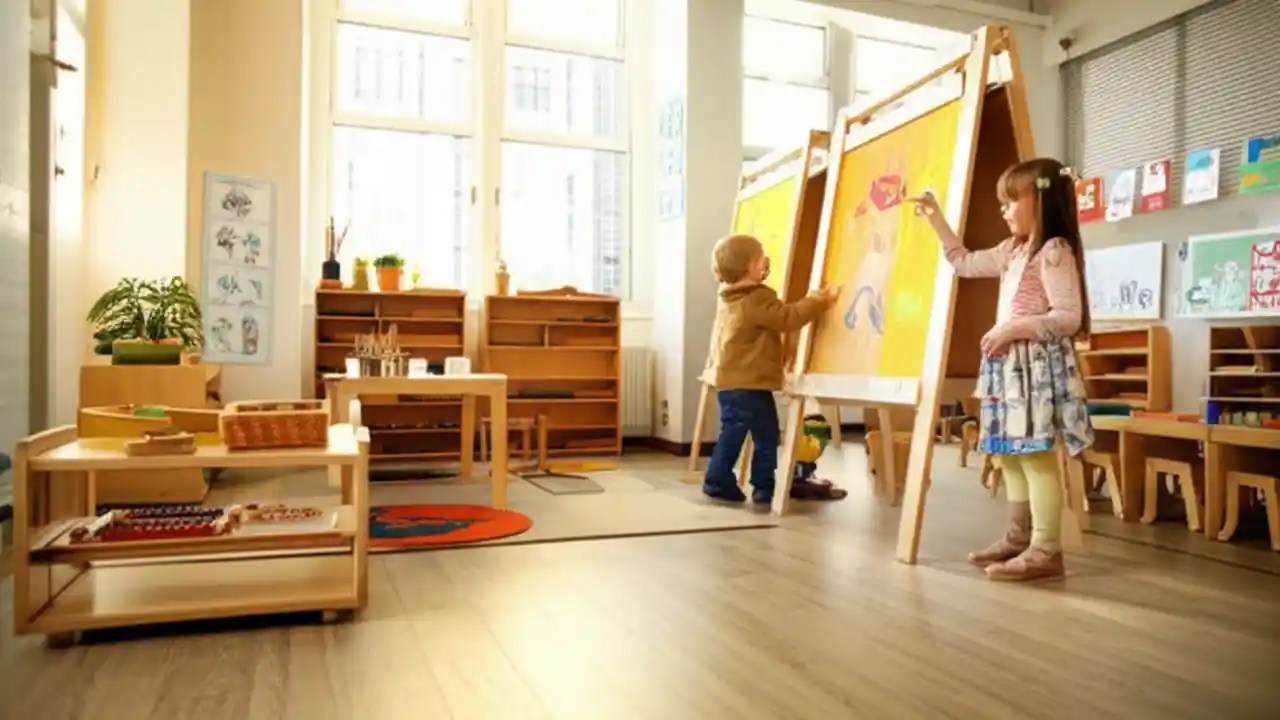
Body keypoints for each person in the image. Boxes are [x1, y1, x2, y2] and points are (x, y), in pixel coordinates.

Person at [909, 157, 1094, 582]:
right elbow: (962, 261)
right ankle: (1019, 535)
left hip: (1035, 368)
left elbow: (1068, 316)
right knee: (1010, 456)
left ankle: (1046, 548)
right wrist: (936, 218)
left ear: (1042, 201)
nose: (1004, 210)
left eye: (1012, 200)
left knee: (1035, 457)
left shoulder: (1054, 251)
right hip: (1010, 368)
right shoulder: (1012, 250)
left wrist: (1014, 327)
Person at [704, 234, 839, 505]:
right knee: (766, 436)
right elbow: (787, 318)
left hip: (730, 383)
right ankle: (759, 486)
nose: (765, 262)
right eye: (759, 259)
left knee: (732, 432)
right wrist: (818, 300)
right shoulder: (755, 298)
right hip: (750, 384)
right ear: (748, 268)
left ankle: (721, 478)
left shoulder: (728, 298)